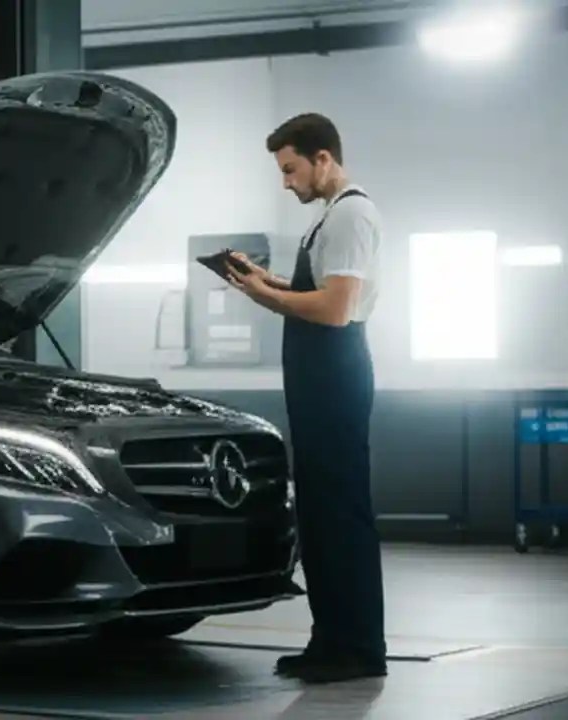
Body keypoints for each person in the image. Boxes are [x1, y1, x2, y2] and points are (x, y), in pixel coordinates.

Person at [224, 112, 387, 684]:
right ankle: (331, 639)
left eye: (291, 169)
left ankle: (359, 648)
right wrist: (260, 280)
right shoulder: (328, 219)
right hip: (321, 376)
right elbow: (313, 292)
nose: (286, 182)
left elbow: (335, 309)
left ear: (323, 158)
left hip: (336, 373)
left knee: (341, 511)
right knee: (319, 511)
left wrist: (266, 300)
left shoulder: (350, 214)